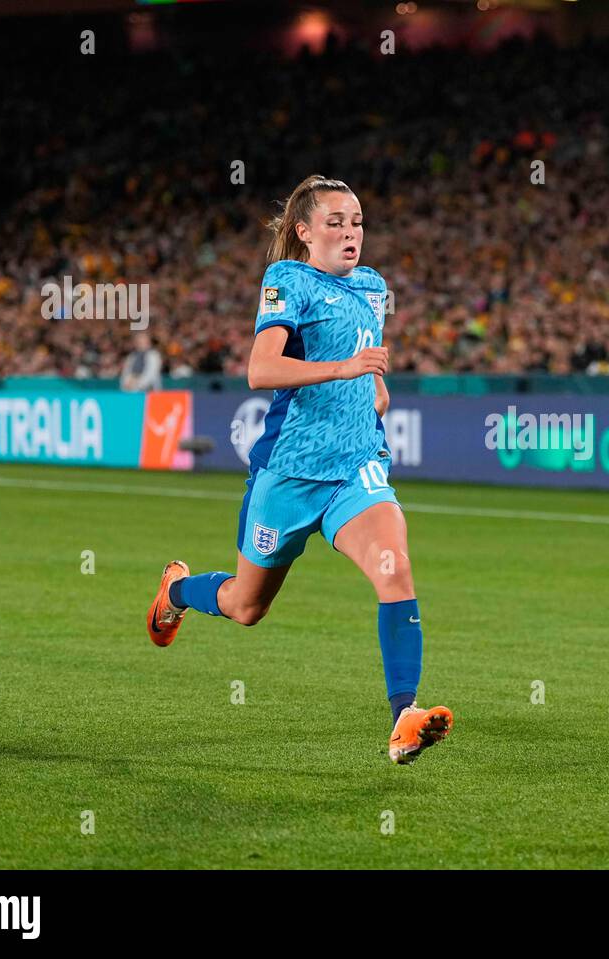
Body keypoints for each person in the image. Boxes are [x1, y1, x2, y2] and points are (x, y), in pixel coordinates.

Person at [143, 175, 452, 764]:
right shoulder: (288, 281)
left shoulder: (372, 286)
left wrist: (373, 386)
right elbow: (261, 371)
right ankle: (177, 590)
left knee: (396, 570)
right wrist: (343, 370)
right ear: (303, 232)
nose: (350, 232)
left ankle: (404, 717)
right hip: (288, 473)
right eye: (335, 221)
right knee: (246, 607)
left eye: (357, 221)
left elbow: (367, 359)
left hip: (355, 469)